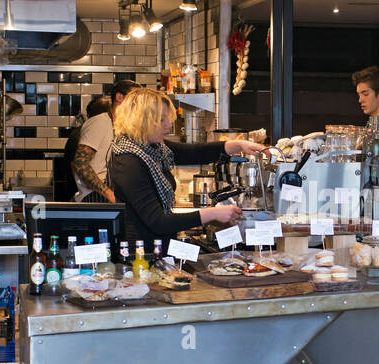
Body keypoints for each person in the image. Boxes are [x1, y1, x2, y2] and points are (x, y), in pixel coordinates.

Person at [107, 89, 264, 251]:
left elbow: (193, 152)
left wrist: (238, 145)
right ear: (141, 122)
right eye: (161, 120)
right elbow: (158, 221)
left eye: (167, 118)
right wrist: (213, 214)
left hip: (161, 246)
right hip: (140, 252)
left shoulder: (156, 149)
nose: (168, 125)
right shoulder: (128, 162)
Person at [72, 79, 139, 202]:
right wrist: (108, 193)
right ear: (119, 97)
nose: (138, 105)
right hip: (95, 198)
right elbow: (80, 163)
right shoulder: (99, 122)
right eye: (135, 99)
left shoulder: (124, 127)